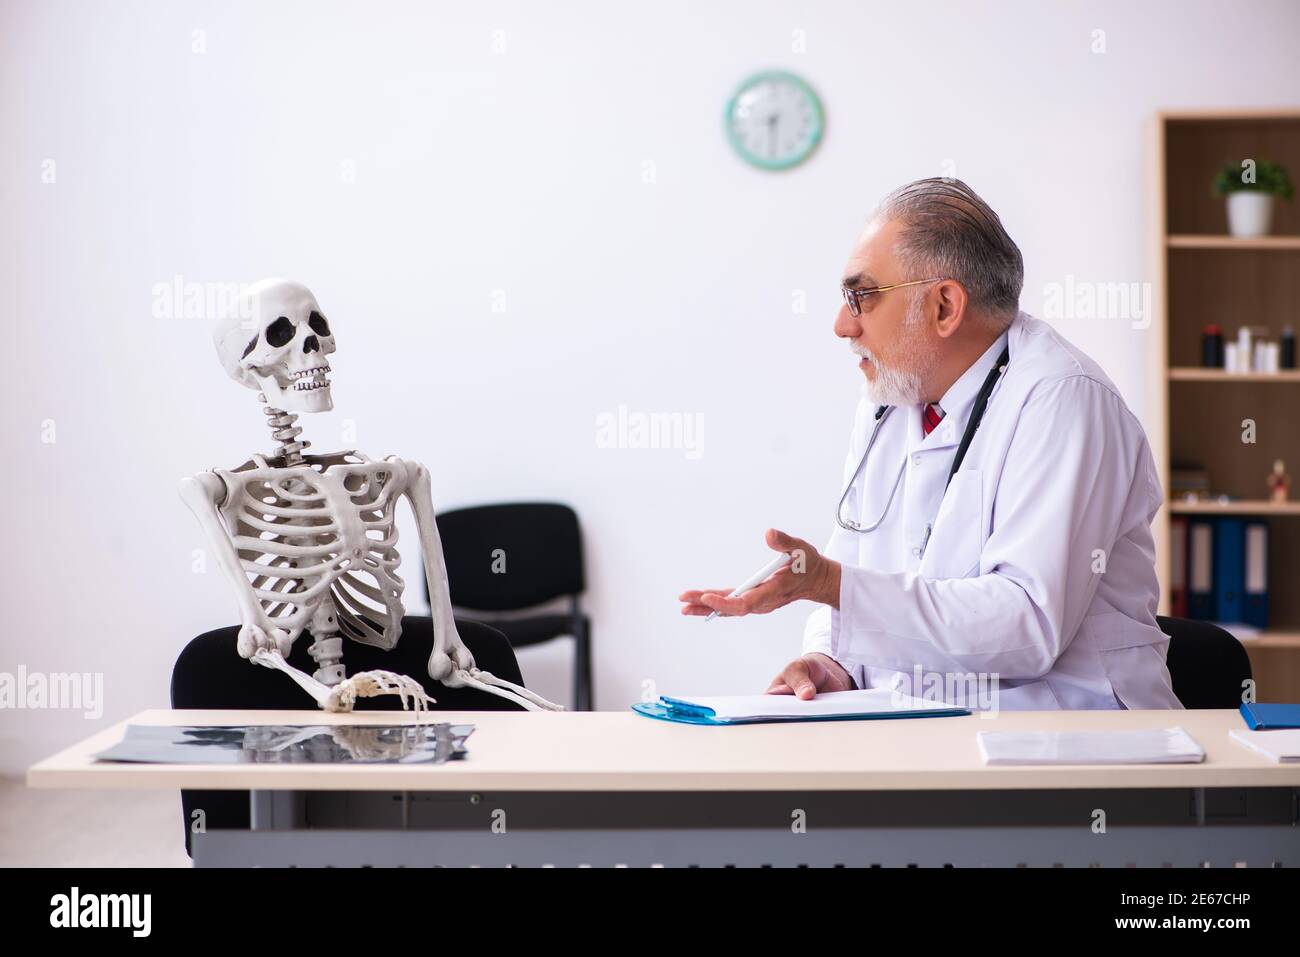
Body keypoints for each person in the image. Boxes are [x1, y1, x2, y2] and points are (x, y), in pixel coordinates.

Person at [679, 178, 1182, 711]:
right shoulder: (890, 401)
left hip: (1068, 731)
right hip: (924, 725)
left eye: (861, 296)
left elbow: (1028, 626)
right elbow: (855, 560)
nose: (843, 325)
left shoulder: (1064, 399)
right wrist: (830, 661)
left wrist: (829, 584)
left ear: (944, 306)